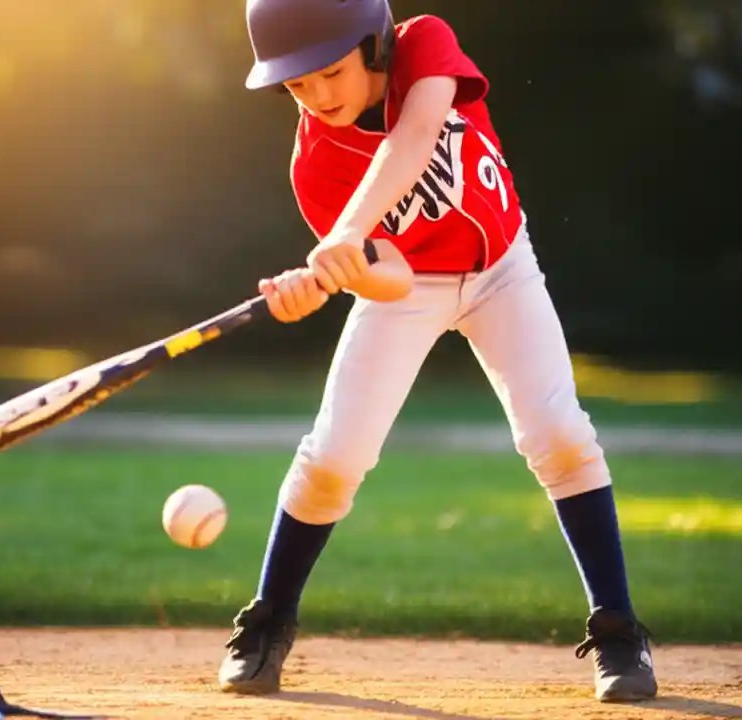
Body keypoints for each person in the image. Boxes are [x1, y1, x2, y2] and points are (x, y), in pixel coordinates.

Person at [219, 0, 657, 703]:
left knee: (559, 435)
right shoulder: (316, 167)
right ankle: (268, 621)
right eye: (297, 85)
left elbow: (417, 133)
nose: (318, 96)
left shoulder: (424, 43)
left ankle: (618, 632)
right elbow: (388, 277)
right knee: (334, 457)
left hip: (502, 269)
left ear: (375, 43)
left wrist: (345, 236)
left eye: (330, 72)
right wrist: (339, 274)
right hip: (410, 287)